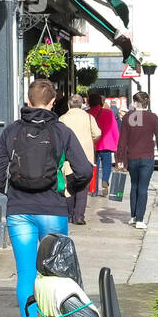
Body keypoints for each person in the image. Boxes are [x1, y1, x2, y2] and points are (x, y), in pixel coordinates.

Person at [0, 78, 94, 317]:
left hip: (19, 211)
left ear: (28, 100)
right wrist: (68, 189)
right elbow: (84, 170)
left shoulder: (11, 132)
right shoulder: (61, 131)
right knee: (57, 273)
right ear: (53, 101)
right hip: (53, 210)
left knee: (25, 273)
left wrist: (12, 193)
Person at [116, 91, 158, 229]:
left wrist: (119, 158)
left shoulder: (128, 117)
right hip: (147, 157)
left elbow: (122, 140)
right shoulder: (153, 117)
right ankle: (140, 219)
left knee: (134, 185)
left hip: (132, 157)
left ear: (135, 103)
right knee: (143, 187)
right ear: (146, 103)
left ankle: (133, 216)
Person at [59, 92, 101, 225]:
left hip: (68, 157)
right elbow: (98, 133)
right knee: (83, 187)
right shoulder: (89, 117)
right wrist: (90, 140)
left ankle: (69, 215)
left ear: (68, 105)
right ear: (82, 104)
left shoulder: (62, 119)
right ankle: (79, 216)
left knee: (69, 185)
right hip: (86, 156)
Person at [87, 92, 119, 196]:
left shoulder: (87, 113)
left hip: (93, 145)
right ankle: (105, 180)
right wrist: (117, 144)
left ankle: (94, 190)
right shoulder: (108, 113)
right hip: (106, 144)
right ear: (100, 102)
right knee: (107, 165)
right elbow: (114, 129)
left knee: (93, 167)